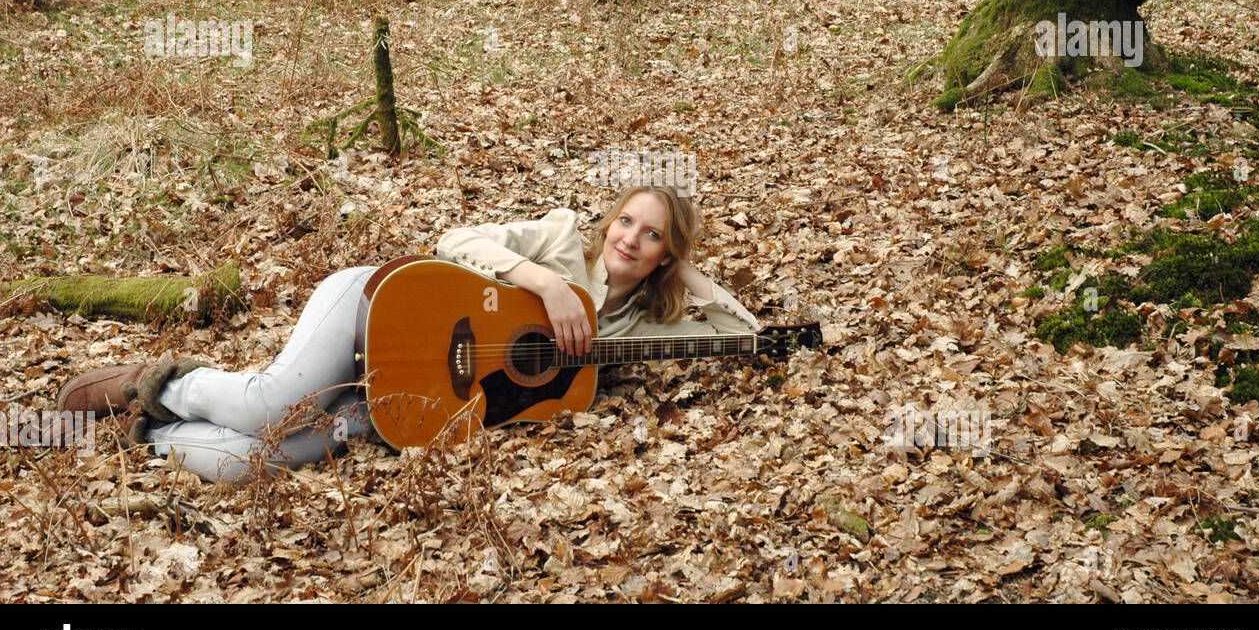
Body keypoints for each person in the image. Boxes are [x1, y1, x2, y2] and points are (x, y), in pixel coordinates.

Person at [56, 186, 759, 482]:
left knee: (260, 464)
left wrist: (688, 269)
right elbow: (457, 237)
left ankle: (142, 427)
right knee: (268, 406)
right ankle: (160, 381)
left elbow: (743, 332)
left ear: (667, 252)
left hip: (422, 390)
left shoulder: (637, 321)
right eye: (627, 222)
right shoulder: (564, 238)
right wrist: (543, 282)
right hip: (378, 305)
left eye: (654, 236)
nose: (631, 239)